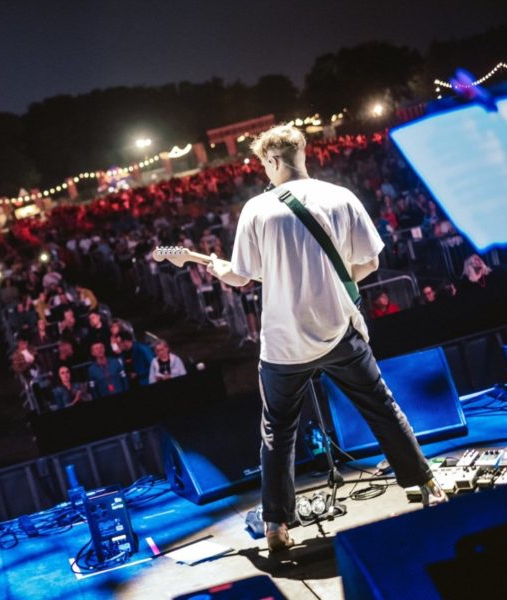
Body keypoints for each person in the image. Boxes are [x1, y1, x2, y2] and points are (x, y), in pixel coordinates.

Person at [187, 125, 443, 552]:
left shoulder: (257, 209)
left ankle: (276, 527)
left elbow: (241, 275)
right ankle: (427, 485)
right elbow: (370, 263)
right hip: (339, 330)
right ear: (303, 152)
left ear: (270, 161)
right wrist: (332, 286)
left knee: (278, 431)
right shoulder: (341, 196)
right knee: (380, 408)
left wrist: (212, 266)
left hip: (285, 344)